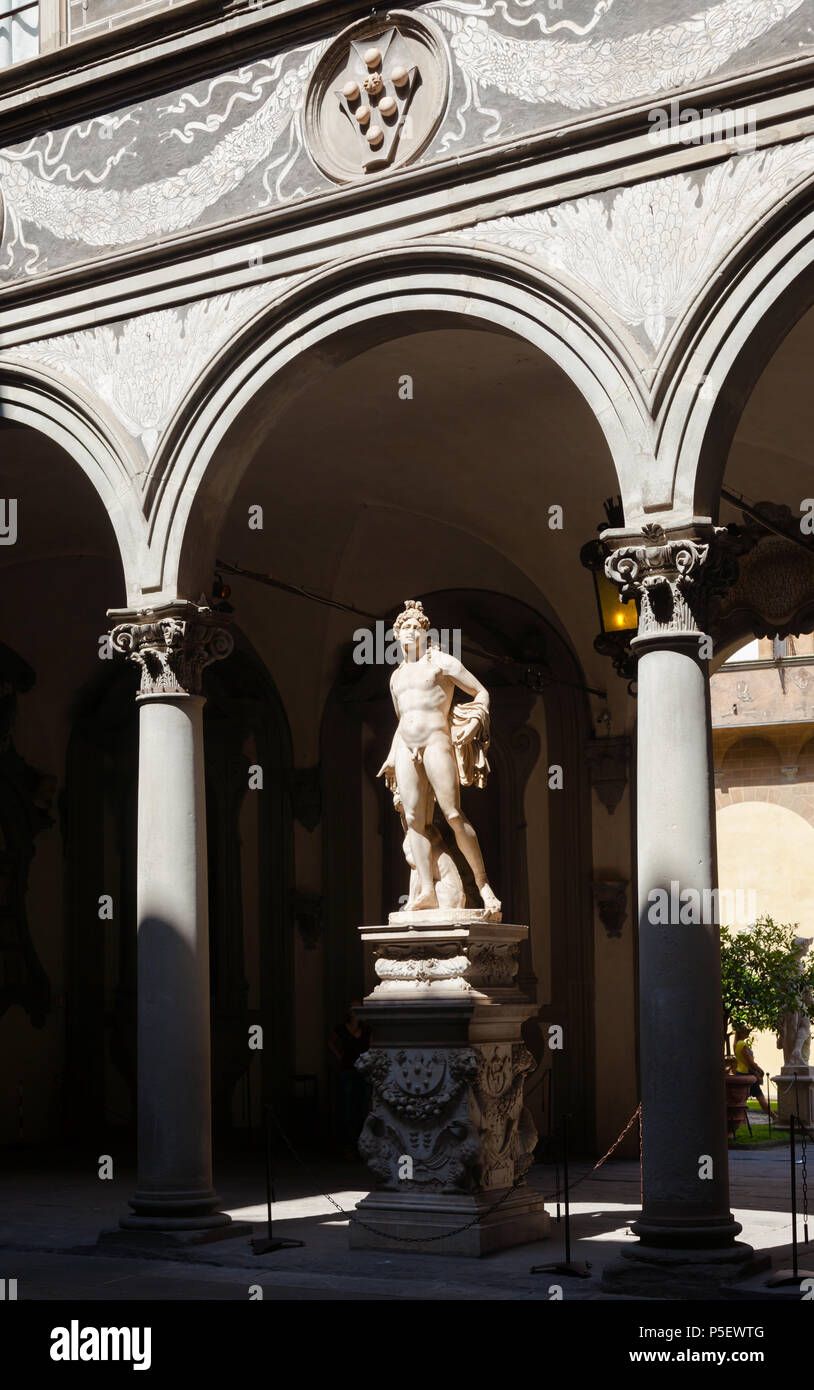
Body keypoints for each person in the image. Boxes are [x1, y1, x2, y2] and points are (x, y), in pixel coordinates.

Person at [377, 599, 501, 914]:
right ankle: (427, 892)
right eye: (404, 629)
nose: (410, 634)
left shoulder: (442, 663)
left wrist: (474, 721)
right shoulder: (397, 677)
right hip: (406, 746)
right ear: (396, 636)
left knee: (454, 815)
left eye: (416, 628)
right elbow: (403, 719)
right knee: (415, 822)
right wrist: (393, 754)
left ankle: (484, 886)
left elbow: (481, 692)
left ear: (425, 634)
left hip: (436, 741)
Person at [328, 1002, 371, 1159]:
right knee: (347, 1108)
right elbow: (331, 1042)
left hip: (363, 1071)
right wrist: (339, 1056)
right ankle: (348, 1145)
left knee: (363, 1108)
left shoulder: (366, 1029)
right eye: (353, 1008)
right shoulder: (341, 1028)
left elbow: (372, 1046)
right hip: (347, 1070)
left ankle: (363, 1145)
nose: (355, 1011)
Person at [732, 1024, 775, 1116]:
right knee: (760, 1097)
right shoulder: (742, 1044)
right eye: (747, 1032)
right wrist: (760, 1070)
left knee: (741, 1099)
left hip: (740, 1072)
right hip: (747, 1073)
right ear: (742, 1033)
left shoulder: (736, 1044)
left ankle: (737, 1117)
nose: (748, 1033)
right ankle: (774, 1117)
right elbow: (749, 1061)